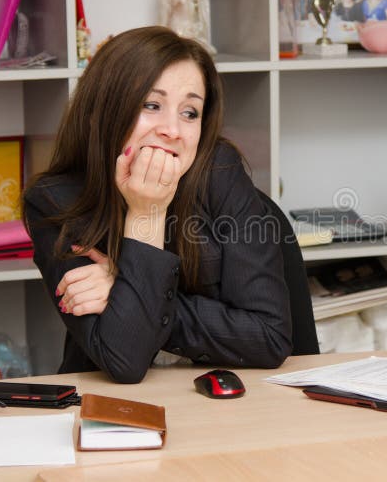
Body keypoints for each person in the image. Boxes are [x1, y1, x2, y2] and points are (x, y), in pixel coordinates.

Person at [23, 26, 293, 383]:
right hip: (110, 402)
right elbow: (124, 361)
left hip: (222, 402)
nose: (173, 130)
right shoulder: (53, 202)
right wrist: (146, 214)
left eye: (190, 112)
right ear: (102, 110)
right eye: (151, 105)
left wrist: (125, 288)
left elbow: (269, 336)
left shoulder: (219, 172)